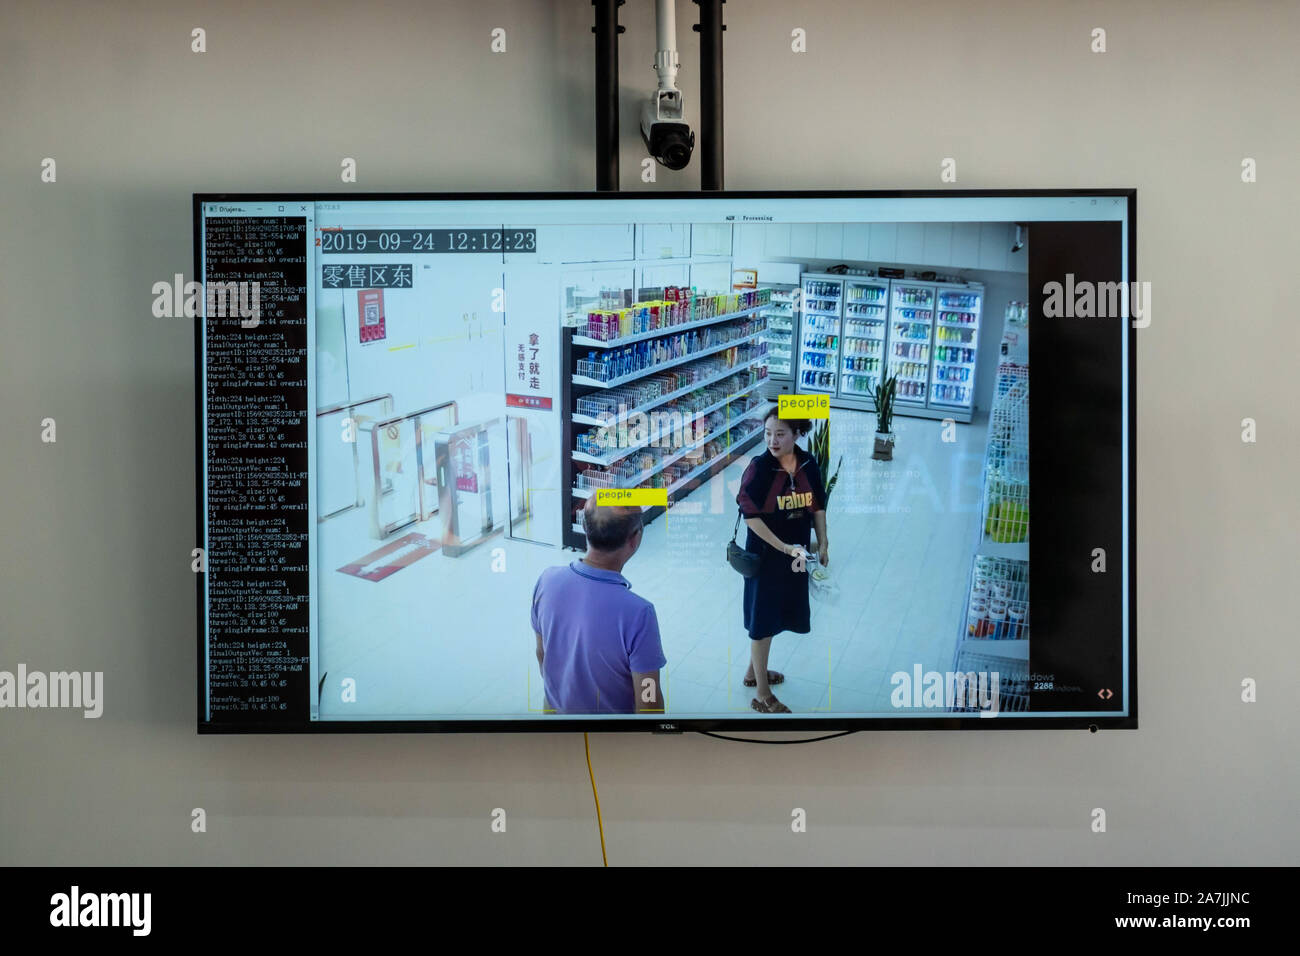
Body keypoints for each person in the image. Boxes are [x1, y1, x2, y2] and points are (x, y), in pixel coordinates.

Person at [531, 496, 666, 714]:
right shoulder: (639, 613)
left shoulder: (547, 580)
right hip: (610, 738)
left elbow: (541, 653)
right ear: (635, 539)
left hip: (554, 718)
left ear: (584, 527)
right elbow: (648, 699)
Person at [735, 405, 829, 713]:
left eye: (780, 434)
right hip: (766, 556)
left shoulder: (808, 464)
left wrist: (823, 542)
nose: (772, 441)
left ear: (797, 434)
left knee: (776, 613)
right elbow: (750, 516)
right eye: (767, 434)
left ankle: (753, 673)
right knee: (762, 620)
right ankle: (762, 692)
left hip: (794, 555)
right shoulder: (760, 468)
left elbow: (817, 506)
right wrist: (783, 547)